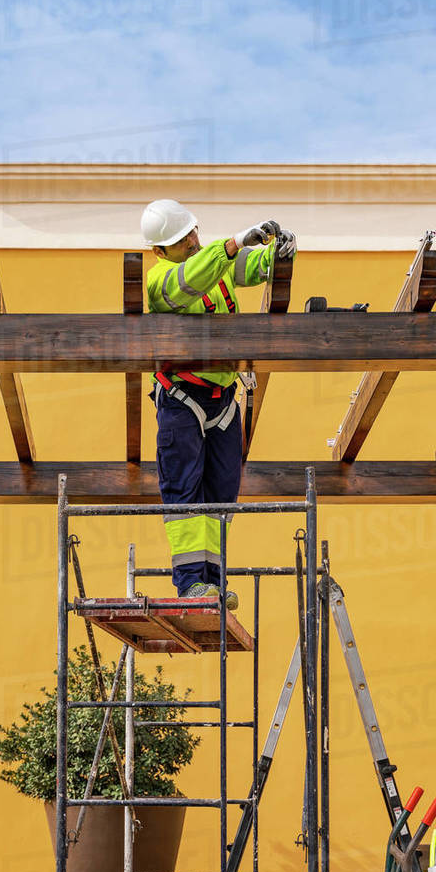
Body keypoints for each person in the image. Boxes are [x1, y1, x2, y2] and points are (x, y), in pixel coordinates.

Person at [141, 198, 296, 609]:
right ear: (160, 251)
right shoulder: (160, 281)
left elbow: (245, 267)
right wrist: (230, 246)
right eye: (180, 240)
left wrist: (272, 255)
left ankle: (212, 581)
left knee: (222, 494)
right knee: (184, 492)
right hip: (181, 398)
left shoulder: (212, 259)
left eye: (193, 232)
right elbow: (190, 280)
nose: (192, 241)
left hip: (222, 399)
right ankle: (191, 582)